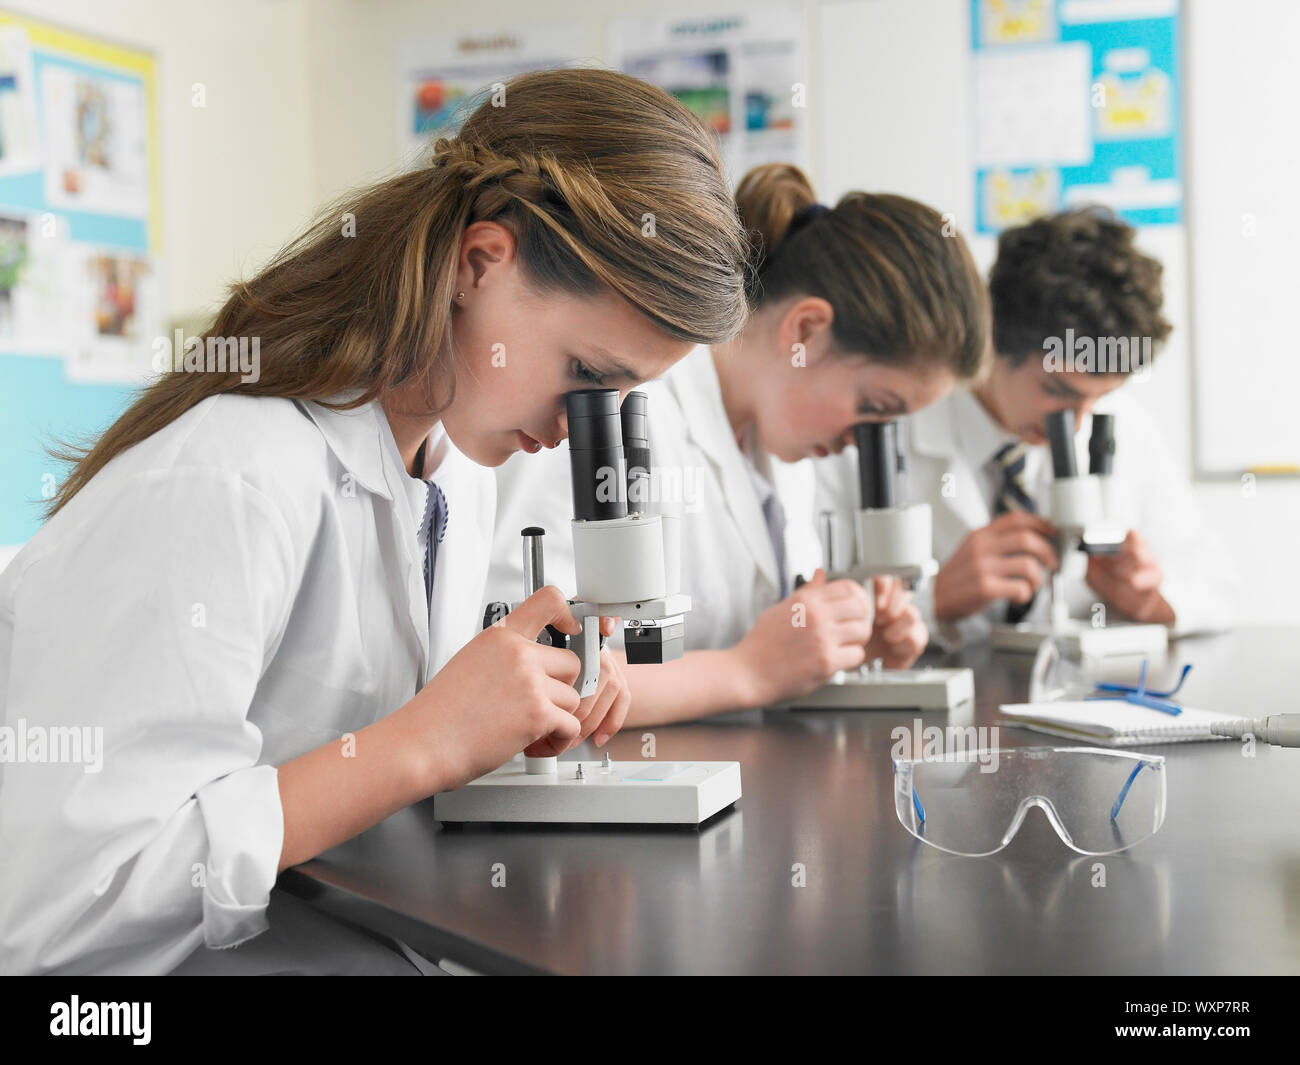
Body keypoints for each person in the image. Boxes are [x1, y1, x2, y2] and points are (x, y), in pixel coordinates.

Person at [0, 68, 750, 975]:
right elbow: (59, 915)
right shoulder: (232, 480)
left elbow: (340, 763)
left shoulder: (446, 474)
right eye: (586, 376)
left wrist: (493, 724)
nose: (568, 433)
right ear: (480, 263)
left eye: (618, 401)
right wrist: (422, 742)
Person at [487, 163, 989, 724]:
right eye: (873, 408)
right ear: (805, 333)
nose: (859, 444)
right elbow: (525, 665)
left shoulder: (785, 451)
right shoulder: (615, 398)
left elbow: (769, 649)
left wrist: (842, 648)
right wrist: (747, 670)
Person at [816, 206, 1236, 648]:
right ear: (995, 338)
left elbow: (1220, 585)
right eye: (1058, 391)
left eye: (1100, 398)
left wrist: (1151, 599)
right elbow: (804, 608)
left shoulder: (1125, 425)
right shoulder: (882, 425)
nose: (1077, 424)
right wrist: (935, 599)